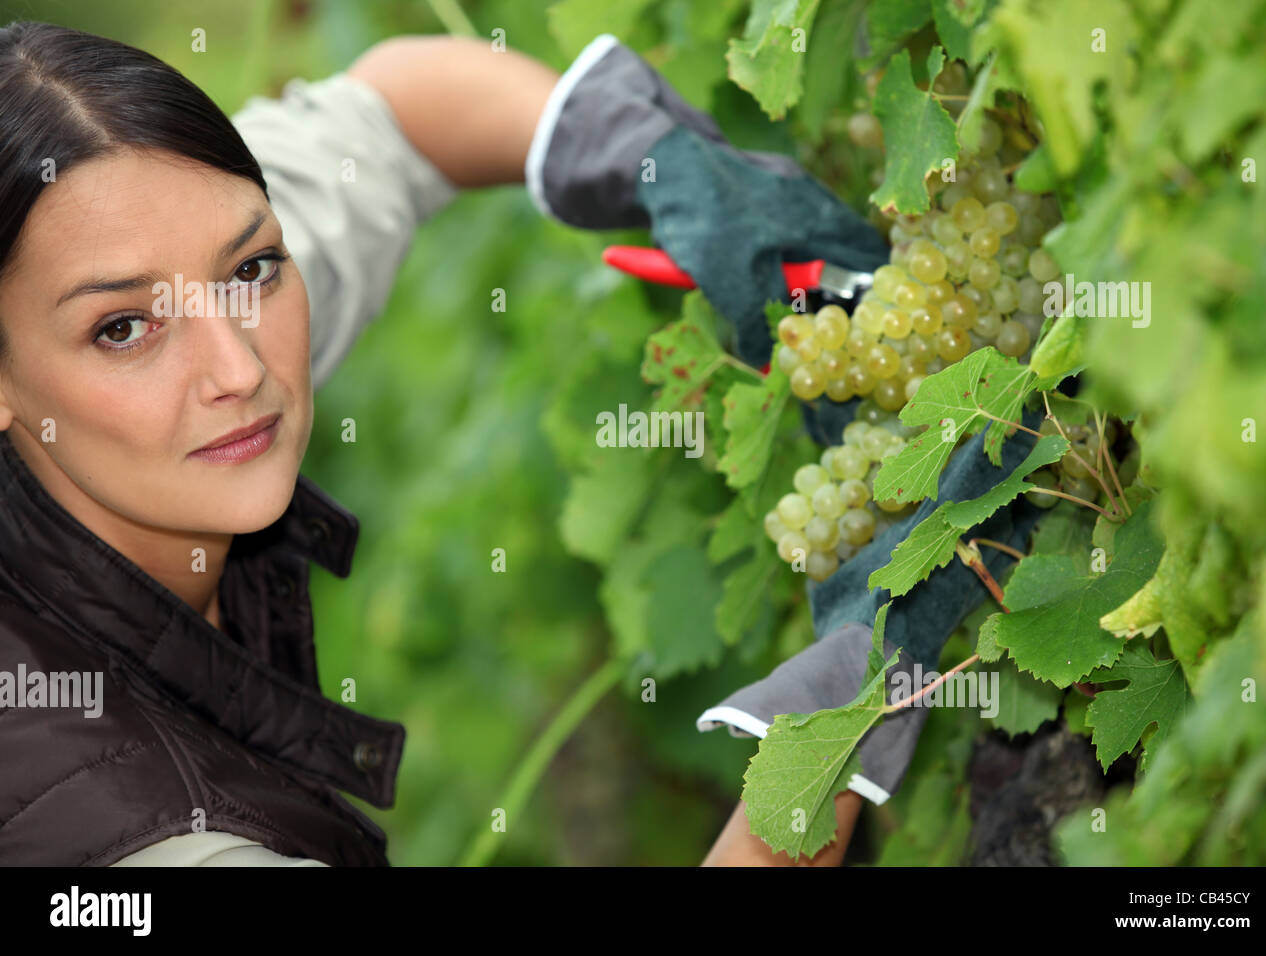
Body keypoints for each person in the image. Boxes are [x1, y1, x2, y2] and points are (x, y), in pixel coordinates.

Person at [0, 20, 1026, 866]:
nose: (239, 369)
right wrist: (833, 716)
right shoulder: (122, 842)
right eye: (123, 329)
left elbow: (401, 110)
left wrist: (653, 160)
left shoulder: (157, 257)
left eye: (256, 268)